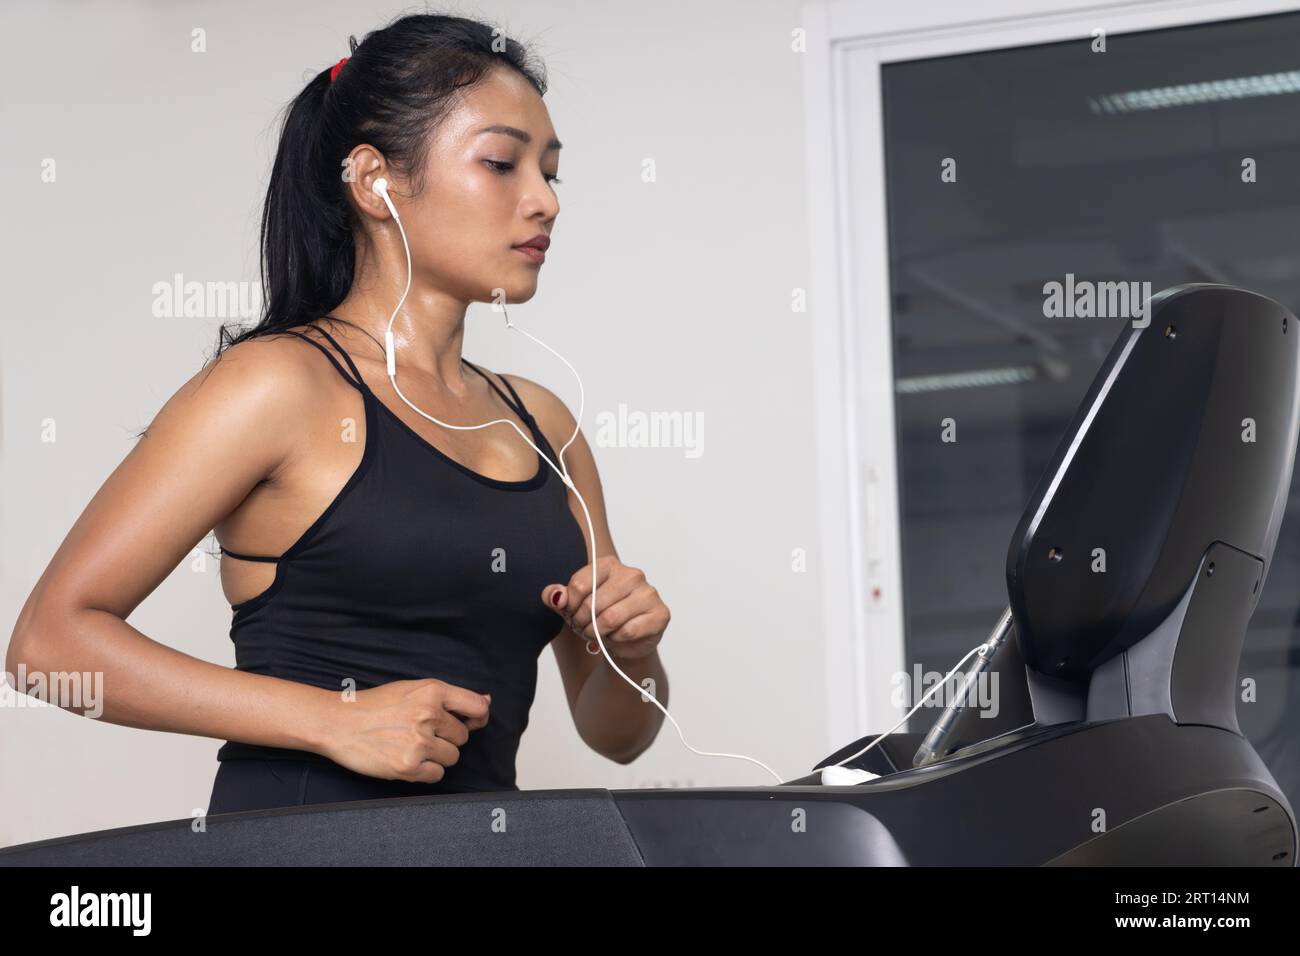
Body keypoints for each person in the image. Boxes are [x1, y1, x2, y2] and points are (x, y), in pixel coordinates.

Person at [4, 12, 671, 814]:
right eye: (501, 163)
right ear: (374, 181)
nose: (544, 203)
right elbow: (47, 645)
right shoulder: (276, 386)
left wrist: (634, 651)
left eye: (551, 173)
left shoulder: (544, 422)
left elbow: (616, 734)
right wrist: (333, 719)